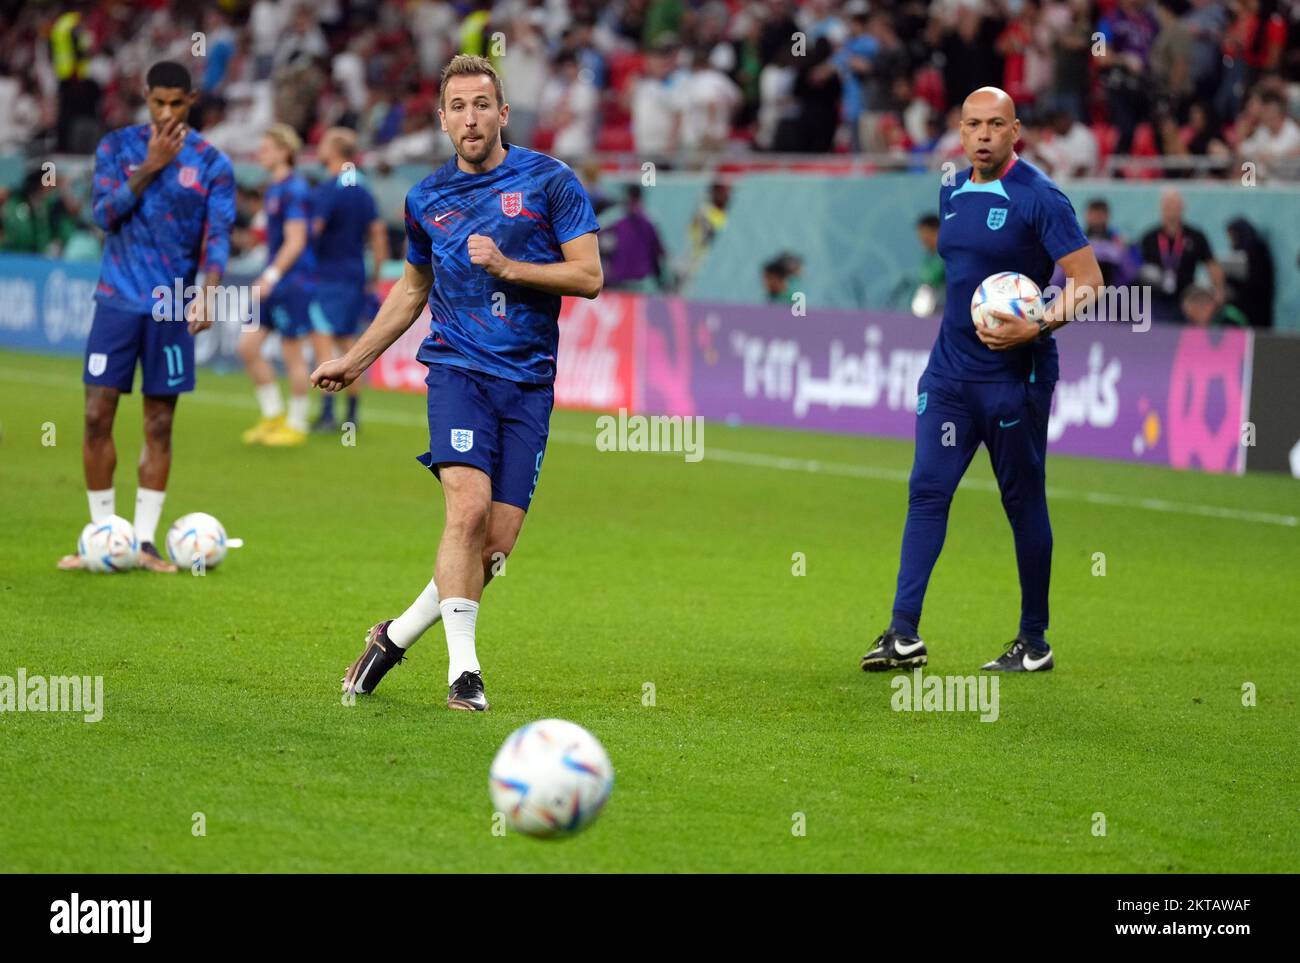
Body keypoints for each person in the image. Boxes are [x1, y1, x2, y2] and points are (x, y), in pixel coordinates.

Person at [314, 55, 602, 711]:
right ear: (442, 120)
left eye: (482, 104)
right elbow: (413, 287)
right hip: (457, 370)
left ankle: (393, 636)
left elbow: (588, 276)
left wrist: (510, 266)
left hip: (528, 383)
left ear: (503, 113)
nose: (470, 117)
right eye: (458, 107)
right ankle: (464, 674)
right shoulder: (426, 200)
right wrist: (356, 358)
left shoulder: (550, 181)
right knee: (465, 511)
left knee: (492, 550)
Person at [860, 86, 1102, 675]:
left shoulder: (1040, 197)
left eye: (997, 124)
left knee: (1021, 503)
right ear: (961, 132)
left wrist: (1038, 324)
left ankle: (1034, 641)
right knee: (926, 489)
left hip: (1015, 377)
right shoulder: (950, 188)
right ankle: (902, 632)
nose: (984, 135)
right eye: (973, 125)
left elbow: (1090, 282)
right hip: (948, 373)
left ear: (1016, 130)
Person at [58, 62, 235, 572]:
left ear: (191, 100)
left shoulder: (211, 163)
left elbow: (218, 235)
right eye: (159, 102)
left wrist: (208, 291)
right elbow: (103, 215)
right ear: (146, 96)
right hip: (117, 299)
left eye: (177, 103)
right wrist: (151, 166)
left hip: (171, 306)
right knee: (96, 415)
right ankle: (100, 534)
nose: (167, 112)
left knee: (159, 423)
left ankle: (144, 542)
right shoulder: (117, 147)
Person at [238, 123, 317, 446]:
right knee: (247, 347)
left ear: (285, 151)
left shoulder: (295, 189)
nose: (261, 153)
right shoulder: (273, 188)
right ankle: (273, 415)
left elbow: (296, 241)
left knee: (293, 355)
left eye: (267, 148)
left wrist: (269, 275)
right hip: (276, 280)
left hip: (291, 282)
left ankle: (297, 423)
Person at [308, 127, 389, 432]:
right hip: (355, 273)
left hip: (328, 274)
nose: (320, 147)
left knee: (323, 339)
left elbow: (314, 230)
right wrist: (376, 273)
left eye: (325, 143)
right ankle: (352, 415)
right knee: (348, 344)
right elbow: (378, 233)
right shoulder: (362, 187)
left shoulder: (330, 188)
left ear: (336, 151)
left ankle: (328, 412)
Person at [1137, 188, 1225, 323]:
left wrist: (1218, 289)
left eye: (1175, 207)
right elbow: (1138, 267)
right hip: (1156, 300)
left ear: (1182, 208)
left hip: (1187, 300)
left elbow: (1211, 264)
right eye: (1168, 207)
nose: (1172, 211)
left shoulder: (1195, 236)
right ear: (1162, 209)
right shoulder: (1150, 237)